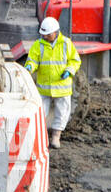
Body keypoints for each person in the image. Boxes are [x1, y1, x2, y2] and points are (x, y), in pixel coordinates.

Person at [24, 15, 80, 149]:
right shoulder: (38, 45)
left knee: (62, 112)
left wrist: (69, 70)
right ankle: (41, 137)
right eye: (43, 35)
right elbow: (33, 59)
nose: (45, 37)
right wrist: (30, 66)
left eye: (47, 35)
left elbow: (75, 60)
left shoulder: (66, 44)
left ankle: (56, 136)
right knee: (40, 112)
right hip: (44, 87)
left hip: (62, 87)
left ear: (55, 32)